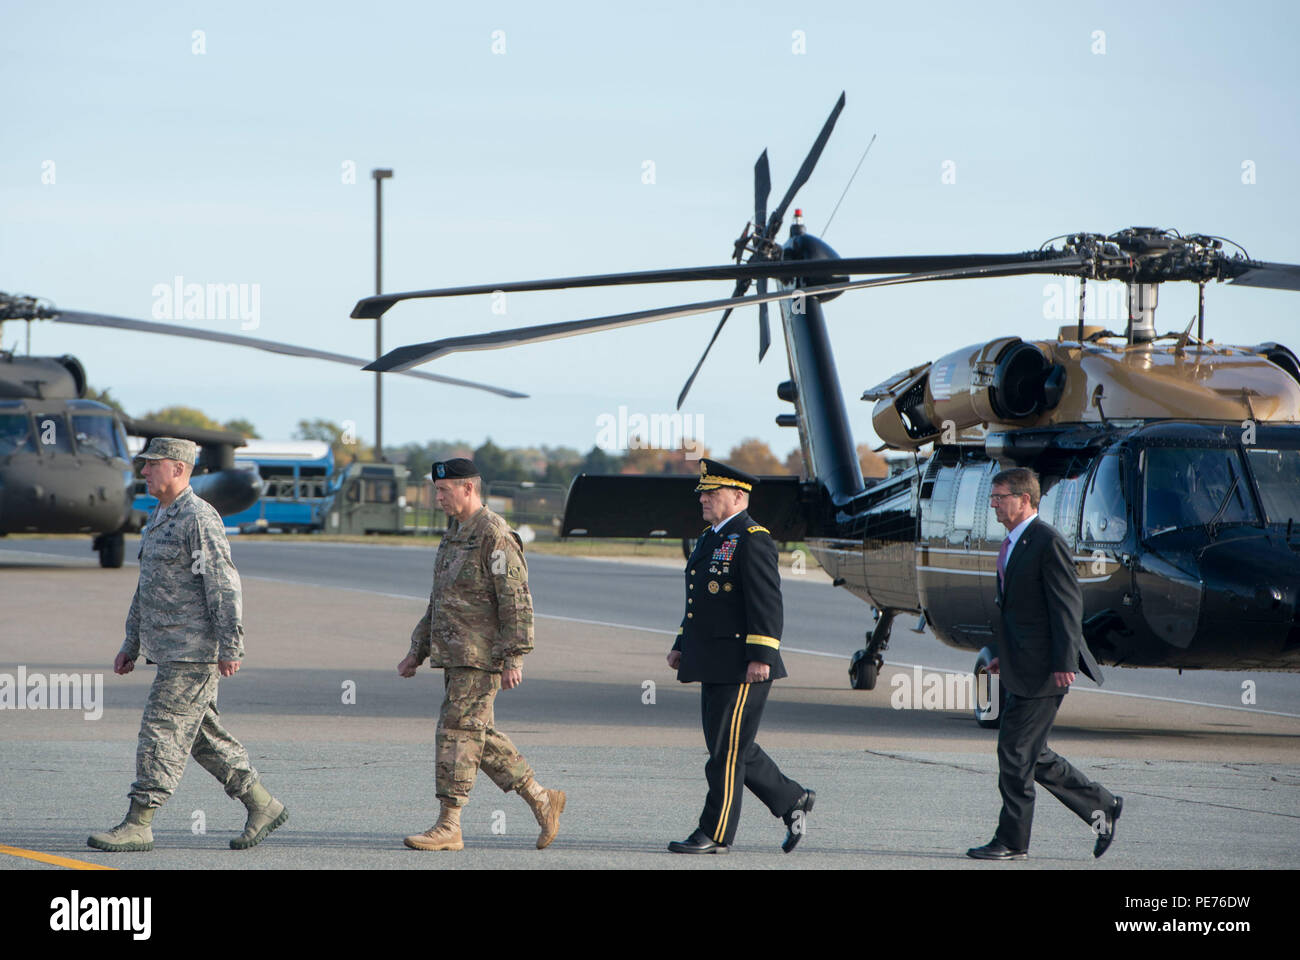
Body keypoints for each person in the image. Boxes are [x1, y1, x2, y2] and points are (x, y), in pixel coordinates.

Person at [88, 437, 287, 852]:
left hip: (192, 652)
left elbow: (223, 584)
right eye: (142, 465)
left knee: (160, 730)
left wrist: (231, 644)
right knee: (200, 736)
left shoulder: (199, 517)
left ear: (178, 468)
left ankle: (139, 821)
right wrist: (131, 642)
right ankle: (262, 804)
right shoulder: (159, 515)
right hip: (167, 648)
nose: (143, 472)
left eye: (151, 465)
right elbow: (148, 588)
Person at [397, 458, 564, 851]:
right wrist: (415, 651)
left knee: (455, 732)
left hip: (481, 657)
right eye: (436, 490)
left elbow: (516, 600)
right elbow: (440, 600)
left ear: (468, 488)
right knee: (476, 735)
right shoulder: (455, 532)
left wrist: (514, 658)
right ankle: (543, 800)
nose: (437, 498)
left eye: (444, 490)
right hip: (454, 653)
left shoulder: (494, 534)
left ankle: (449, 824)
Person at [967, 467, 1121, 861]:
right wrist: (1006, 653)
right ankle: (1101, 804)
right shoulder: (1017, 542)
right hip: (1024, 664)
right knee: (1032, 754)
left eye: (1000, 497)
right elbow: (1023, 612)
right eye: (993, 498)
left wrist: (1064, 660)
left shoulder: (1046, 541)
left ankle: (1012, 841)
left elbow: (1067, 605)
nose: (994, 505)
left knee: (1015, 752)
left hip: (1046, 670)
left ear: (1024, 499)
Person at [666, 458, 814, 854]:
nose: (703, 499)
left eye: (711, 493)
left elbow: (766, 603)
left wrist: (761, 655)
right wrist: (682, 642)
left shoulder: (753, 538)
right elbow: (701, 601)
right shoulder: (711, 536)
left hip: (744, 664)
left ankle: (714, 833)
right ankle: (793, 799)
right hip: (712, 658)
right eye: (703, 493)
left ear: (737, 496)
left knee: (725, 754)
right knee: (732, 745)